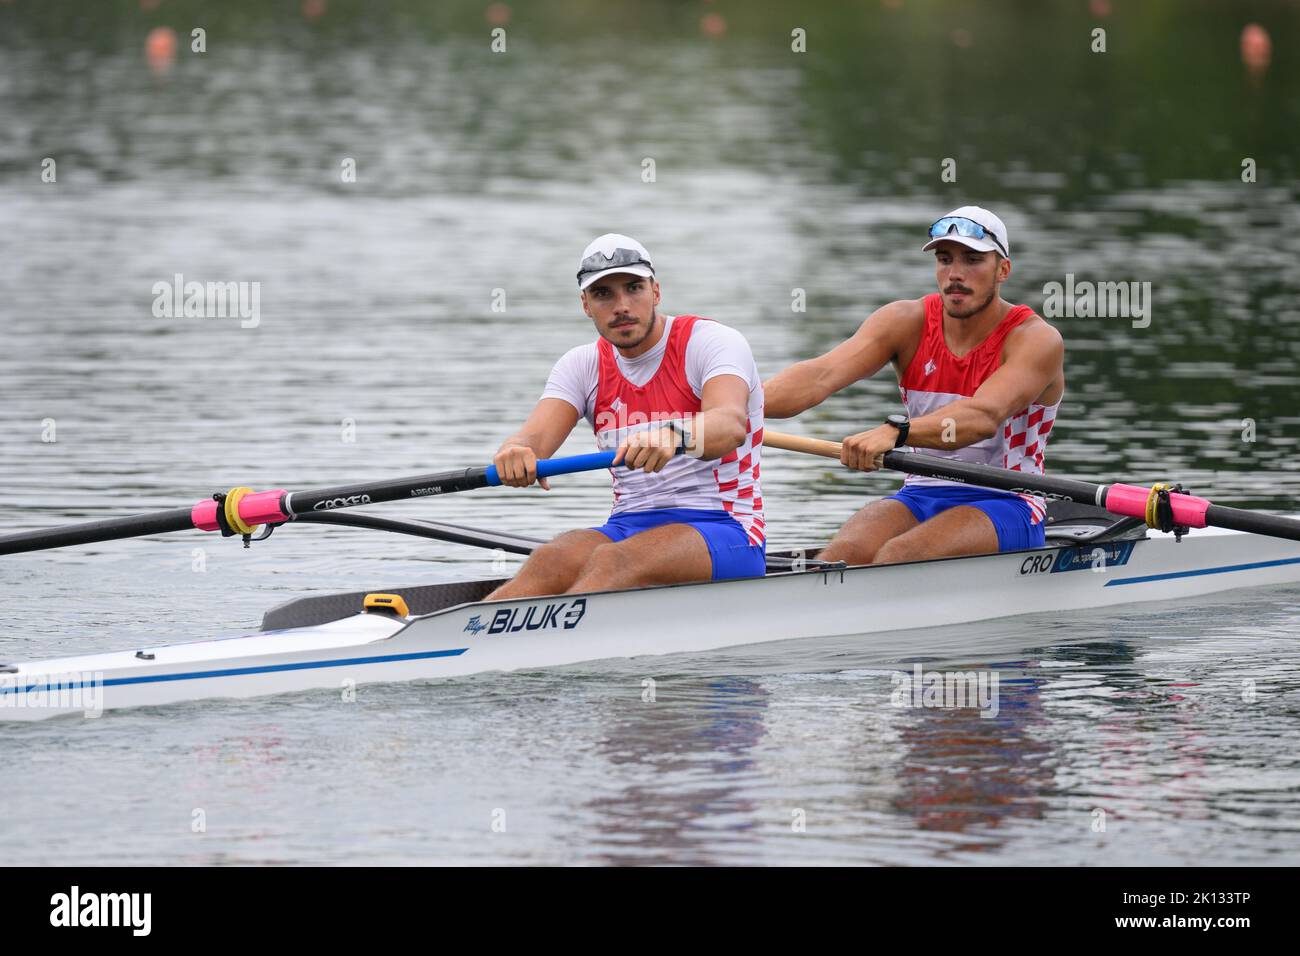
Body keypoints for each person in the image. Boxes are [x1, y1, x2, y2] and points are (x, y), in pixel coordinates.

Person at [763, 206, 1064, 564]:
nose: (955, 274)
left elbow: (982, 417)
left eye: (972, 260)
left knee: (899, 554)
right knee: (841, 556)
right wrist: (729, 407)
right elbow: (819, 376)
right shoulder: (904, 321)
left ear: (1003, 270)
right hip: (920, 494)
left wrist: (897, 432)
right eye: (944, 259)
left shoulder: (1035, 340)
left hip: (1008, 501)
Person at [486, 233, 765, 599]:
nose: (622, 306)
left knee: (614, 562)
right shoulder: (582, 365)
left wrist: (674, 435)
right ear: (586, 304)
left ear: (656, 292)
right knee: (550, 560)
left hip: (725, 529)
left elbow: (729, 425)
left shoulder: (711, 342)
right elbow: (534, 440)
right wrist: (515, 451)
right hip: (626, 527)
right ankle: (457, 645)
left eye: (633, 288)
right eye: (604, 294)